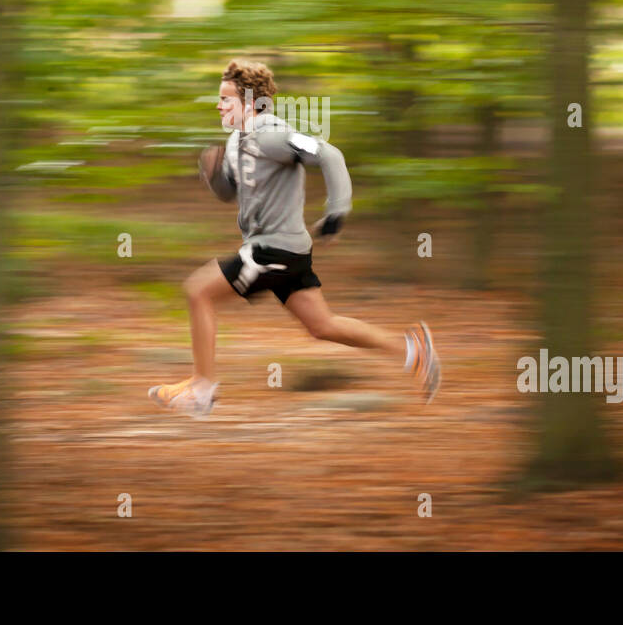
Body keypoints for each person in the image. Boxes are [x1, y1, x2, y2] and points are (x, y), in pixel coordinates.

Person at [149, 59, 440, 417]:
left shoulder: (272, 135)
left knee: (198, 291)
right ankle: (413, 350)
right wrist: (214, 174)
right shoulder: (238, 140)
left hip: (273, 249)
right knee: (323, 326)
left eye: (226, 98)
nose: (218, 105)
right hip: (285, 251)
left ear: (251, 103)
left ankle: (202, 389)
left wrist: (337, 211)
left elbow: (330, 154)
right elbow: (229, 193)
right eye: (219, 98)